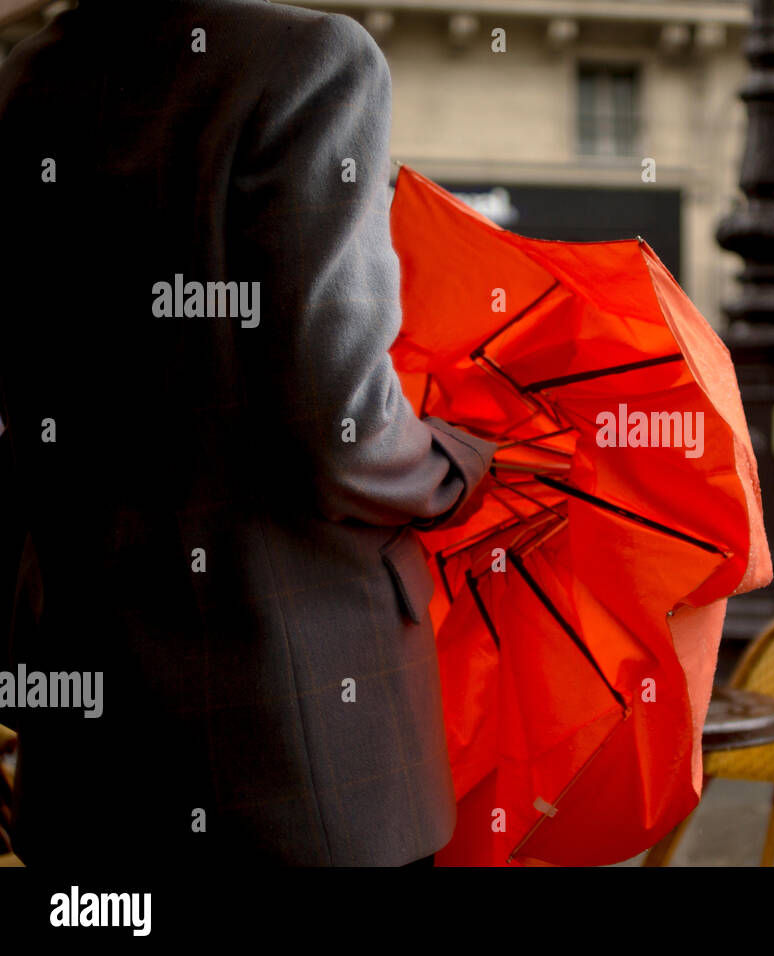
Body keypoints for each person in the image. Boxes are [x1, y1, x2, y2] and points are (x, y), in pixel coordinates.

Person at [0, 0, 494, 865]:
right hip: (296, 748)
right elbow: (341, 435)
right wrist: (455, 462)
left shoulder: (26, 82)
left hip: (86, 738)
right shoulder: (310, 59)